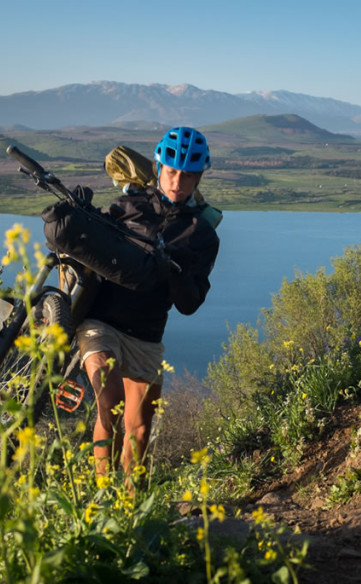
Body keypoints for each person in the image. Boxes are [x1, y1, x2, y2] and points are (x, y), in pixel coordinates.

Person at [74, 126, 219, 491]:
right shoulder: (128, 206)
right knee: (110, 403)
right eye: (171, 171)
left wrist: (174, 269)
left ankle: (128, 508)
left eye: (187, 174)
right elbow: (93, 248)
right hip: (101, 320)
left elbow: (190, 304)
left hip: (146, 333)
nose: (177, 181)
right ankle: (103, 496)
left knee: (139, 431)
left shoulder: (201, 234)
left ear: (198, 176)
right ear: (158, 169)